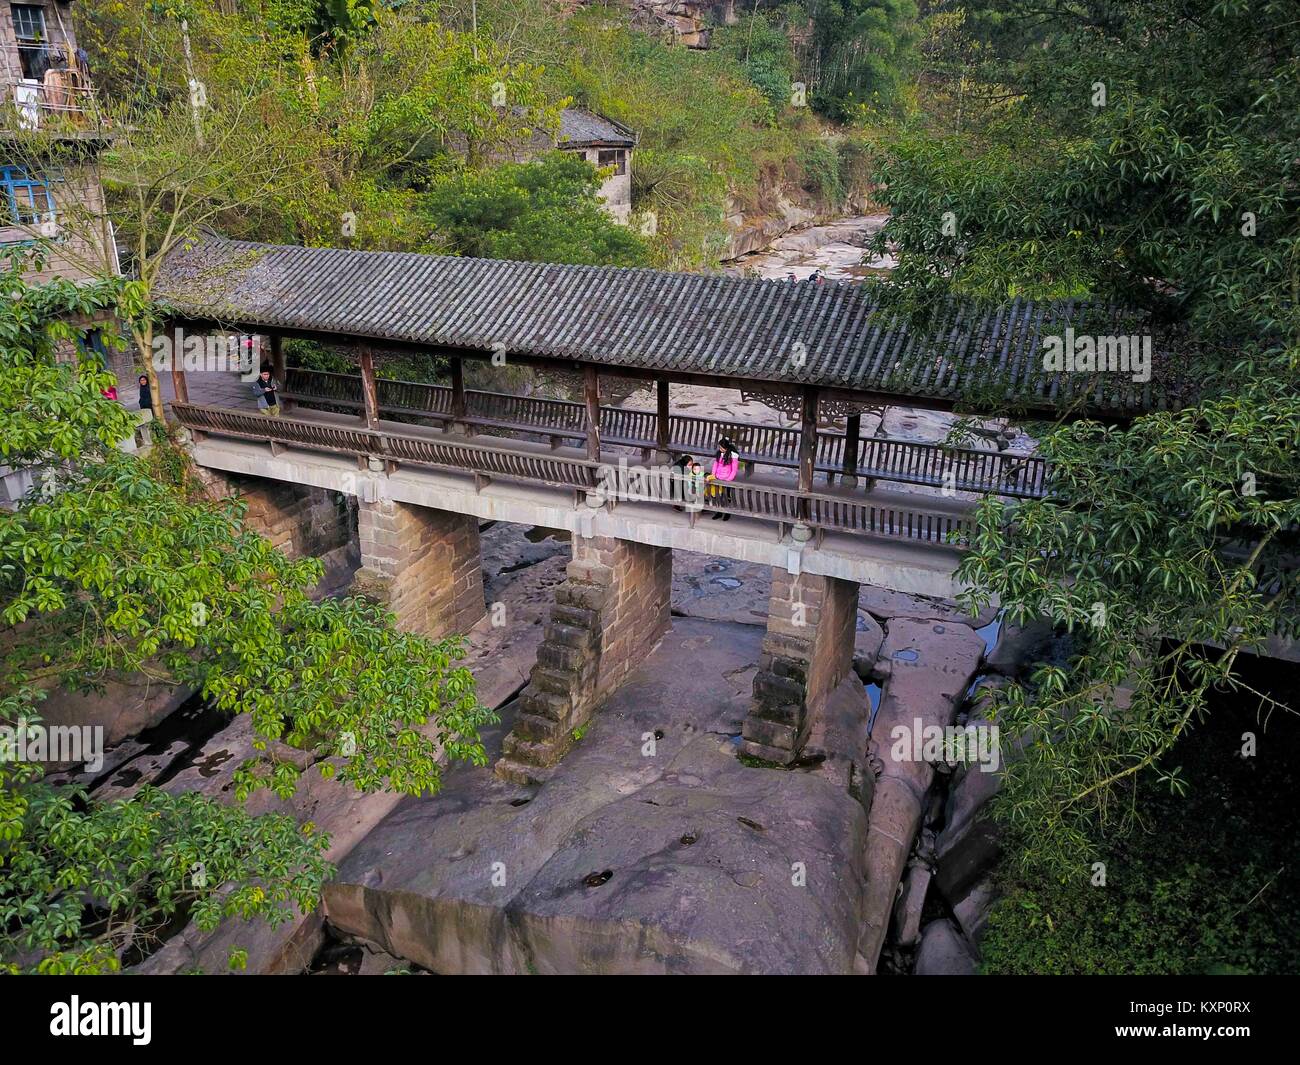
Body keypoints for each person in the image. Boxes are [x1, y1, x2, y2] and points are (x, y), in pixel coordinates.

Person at [709, 437, 740, 520]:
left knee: (726, 496)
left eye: (721, 447)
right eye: (719, 447)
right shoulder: (719, 453)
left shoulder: (733, 456)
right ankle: (719, 512)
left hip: (726, 479)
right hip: (718, 477)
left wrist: (729, 479)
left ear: (726, 448)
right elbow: (715, 464)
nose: (720, 449)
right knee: (718, 495)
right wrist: (713, 474)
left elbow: (734, 470)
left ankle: (727, 513)